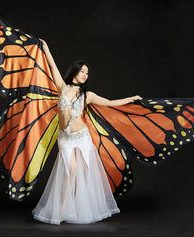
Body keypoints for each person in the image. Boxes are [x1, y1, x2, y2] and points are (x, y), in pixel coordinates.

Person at [31, 39, 143, 225]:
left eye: (87, 73)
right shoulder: (62, 88)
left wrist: (131, 98)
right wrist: (47, 49)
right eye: (82, 71)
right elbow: (52, 66)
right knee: (69, 170)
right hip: (66, 138)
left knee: (81, 171)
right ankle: (61, 208)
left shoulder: (87, 95)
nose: (85, 74)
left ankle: (77, 208)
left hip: (82, 137)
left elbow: (109, 102)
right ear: (74, 71)